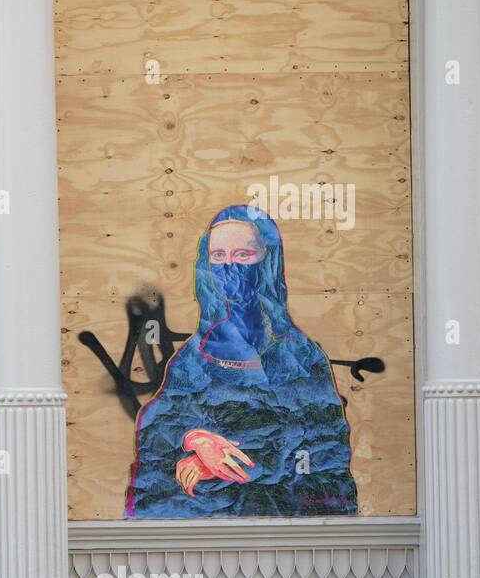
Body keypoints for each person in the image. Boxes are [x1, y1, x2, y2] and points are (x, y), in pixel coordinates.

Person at [126, 204, 358, 517]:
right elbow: (159, 425)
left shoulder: (300, 357)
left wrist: (227, 464)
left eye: (243, 255)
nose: (229, 267)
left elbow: (322, 450)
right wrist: (196, 440)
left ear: (267, 262)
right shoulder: (195, 356)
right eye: (218, 257)